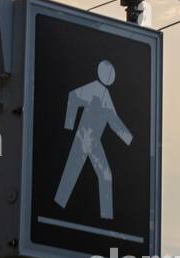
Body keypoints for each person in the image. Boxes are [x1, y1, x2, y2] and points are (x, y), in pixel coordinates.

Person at [54, 60, 133, 220]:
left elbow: (113, 121)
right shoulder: (93, 88)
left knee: (105, 175)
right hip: (83, 137)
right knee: (71, 171)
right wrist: (68, 125)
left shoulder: (106, 96)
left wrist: (128, 138)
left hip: (94, 141)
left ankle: (106, 217)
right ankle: (58, 205)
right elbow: (73, 97)